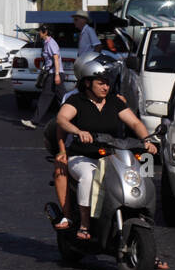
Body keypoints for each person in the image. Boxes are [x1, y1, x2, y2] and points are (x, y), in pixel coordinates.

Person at [55, 54, 159, 245]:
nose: (105, 87)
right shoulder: (77, 101)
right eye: (101, 83)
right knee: (89, 176)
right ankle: (85, 225)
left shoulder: (114, 102)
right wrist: (78, 131)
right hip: (83, 156)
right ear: (87, 83)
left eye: (107, 83)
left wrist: (147, 140)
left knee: (140, 176)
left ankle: (144, 226)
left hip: (112, 154)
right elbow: (62, 119)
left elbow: (135, 123)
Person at [21, 25, 62, 130]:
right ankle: (73, 119)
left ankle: (34, 121)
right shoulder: (46, 43)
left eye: (40, 31)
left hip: (54, 74)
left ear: (45, 32)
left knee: (49, 98)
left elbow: (56, 59)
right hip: (52, 74)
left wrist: (57, 75)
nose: (38, 33)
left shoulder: (51, 43)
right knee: (61, 98)